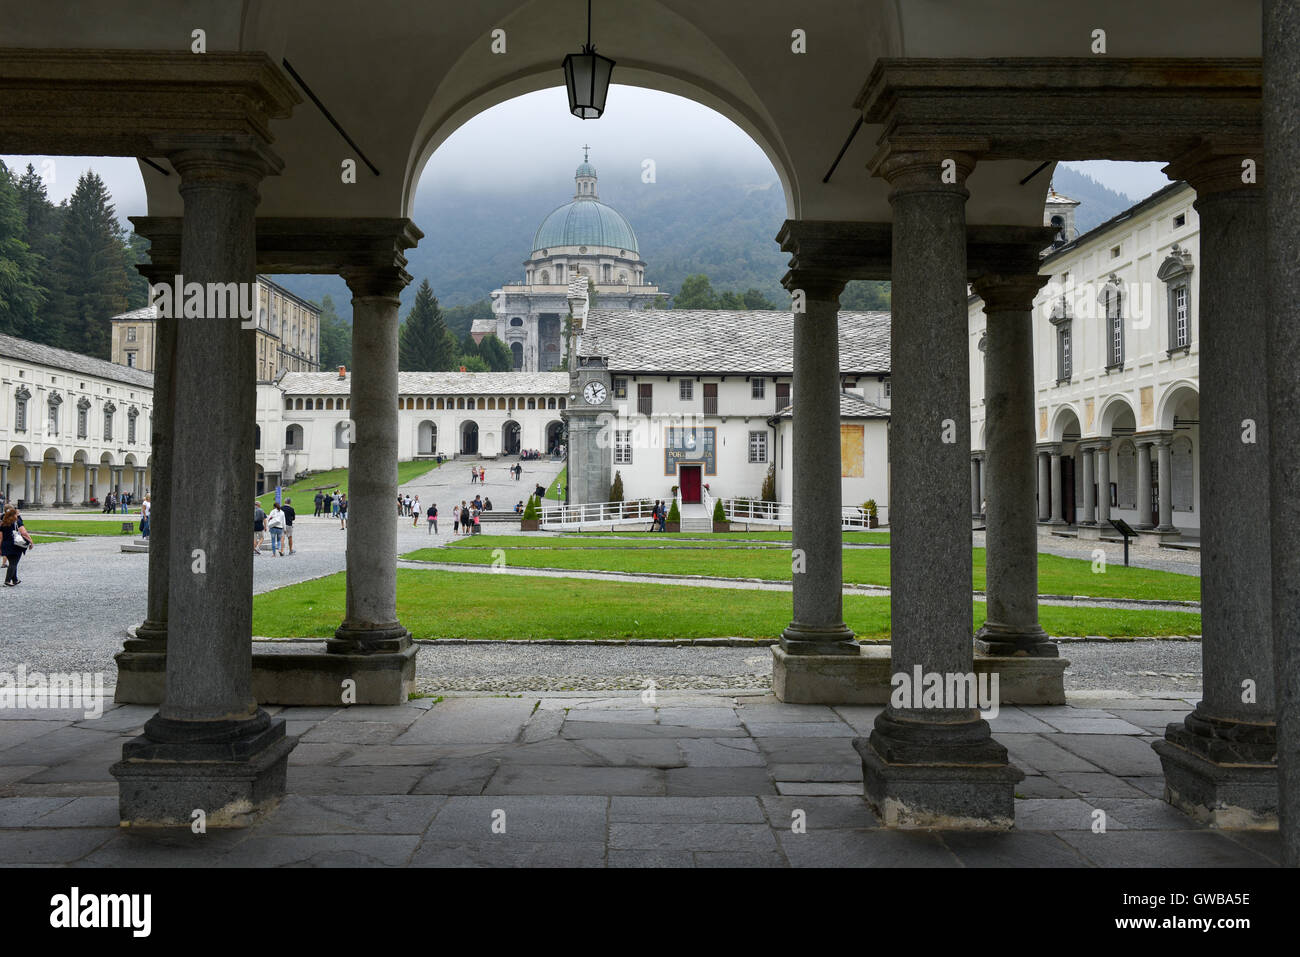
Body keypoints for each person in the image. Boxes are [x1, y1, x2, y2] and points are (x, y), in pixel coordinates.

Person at [1, 505, 33, 586]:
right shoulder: (17, 522)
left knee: (12, 562)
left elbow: (0, 537)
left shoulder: (2, 523)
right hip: (15, 544)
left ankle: (15, 580)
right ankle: (7, 581)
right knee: (13, 563)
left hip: (5, 544)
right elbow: (24, 533)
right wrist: (30, 541)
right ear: (14, 514)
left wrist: (0, 547)